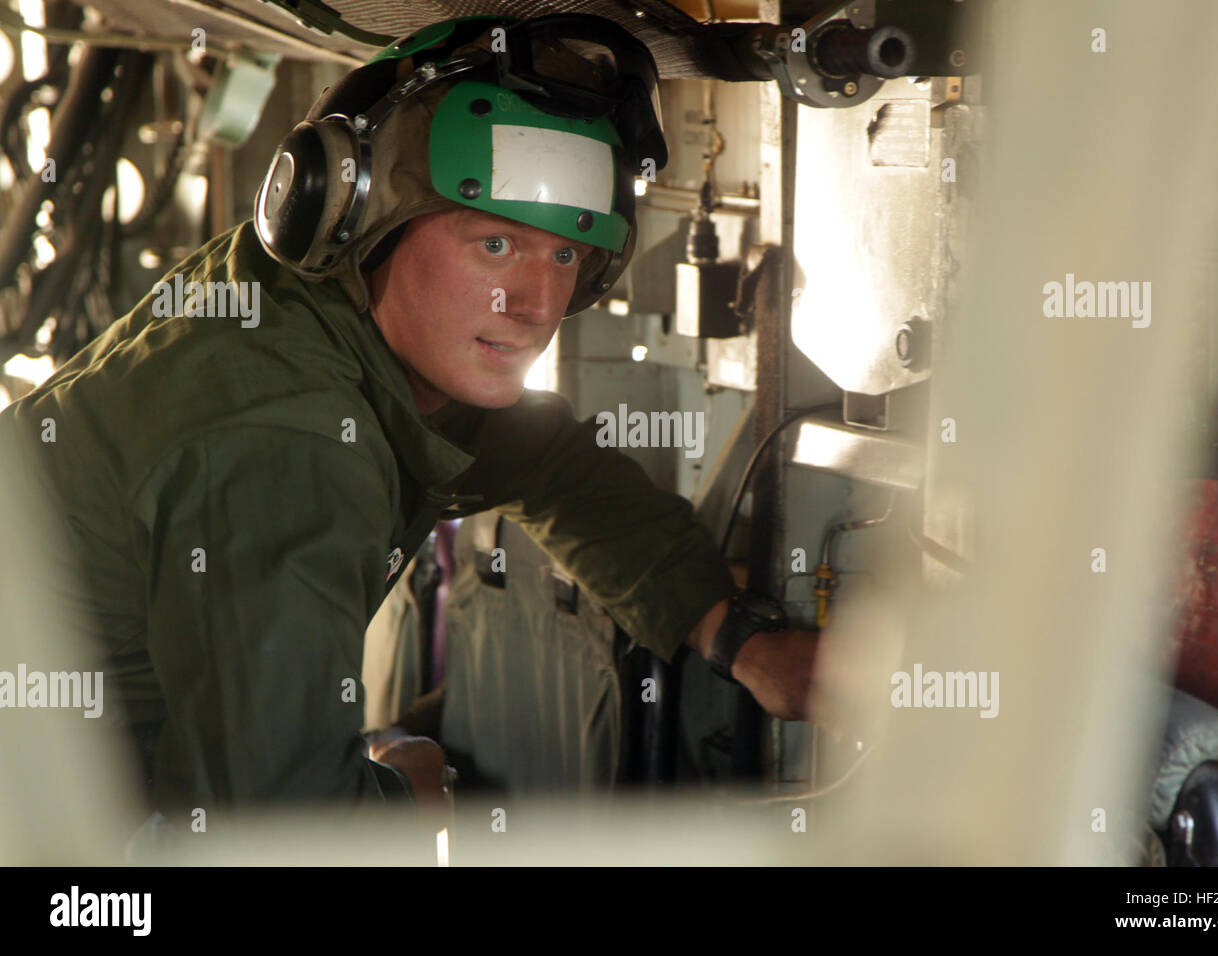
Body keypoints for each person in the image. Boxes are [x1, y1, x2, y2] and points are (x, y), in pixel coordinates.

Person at [0, 14, 820, 824]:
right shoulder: (286, 442)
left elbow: (553, 465)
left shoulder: (318, 307)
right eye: (494, 245)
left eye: (567, 253)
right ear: (352, 217)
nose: (535, 304)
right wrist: (404, 798)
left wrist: (738, 636)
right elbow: (273, 828)